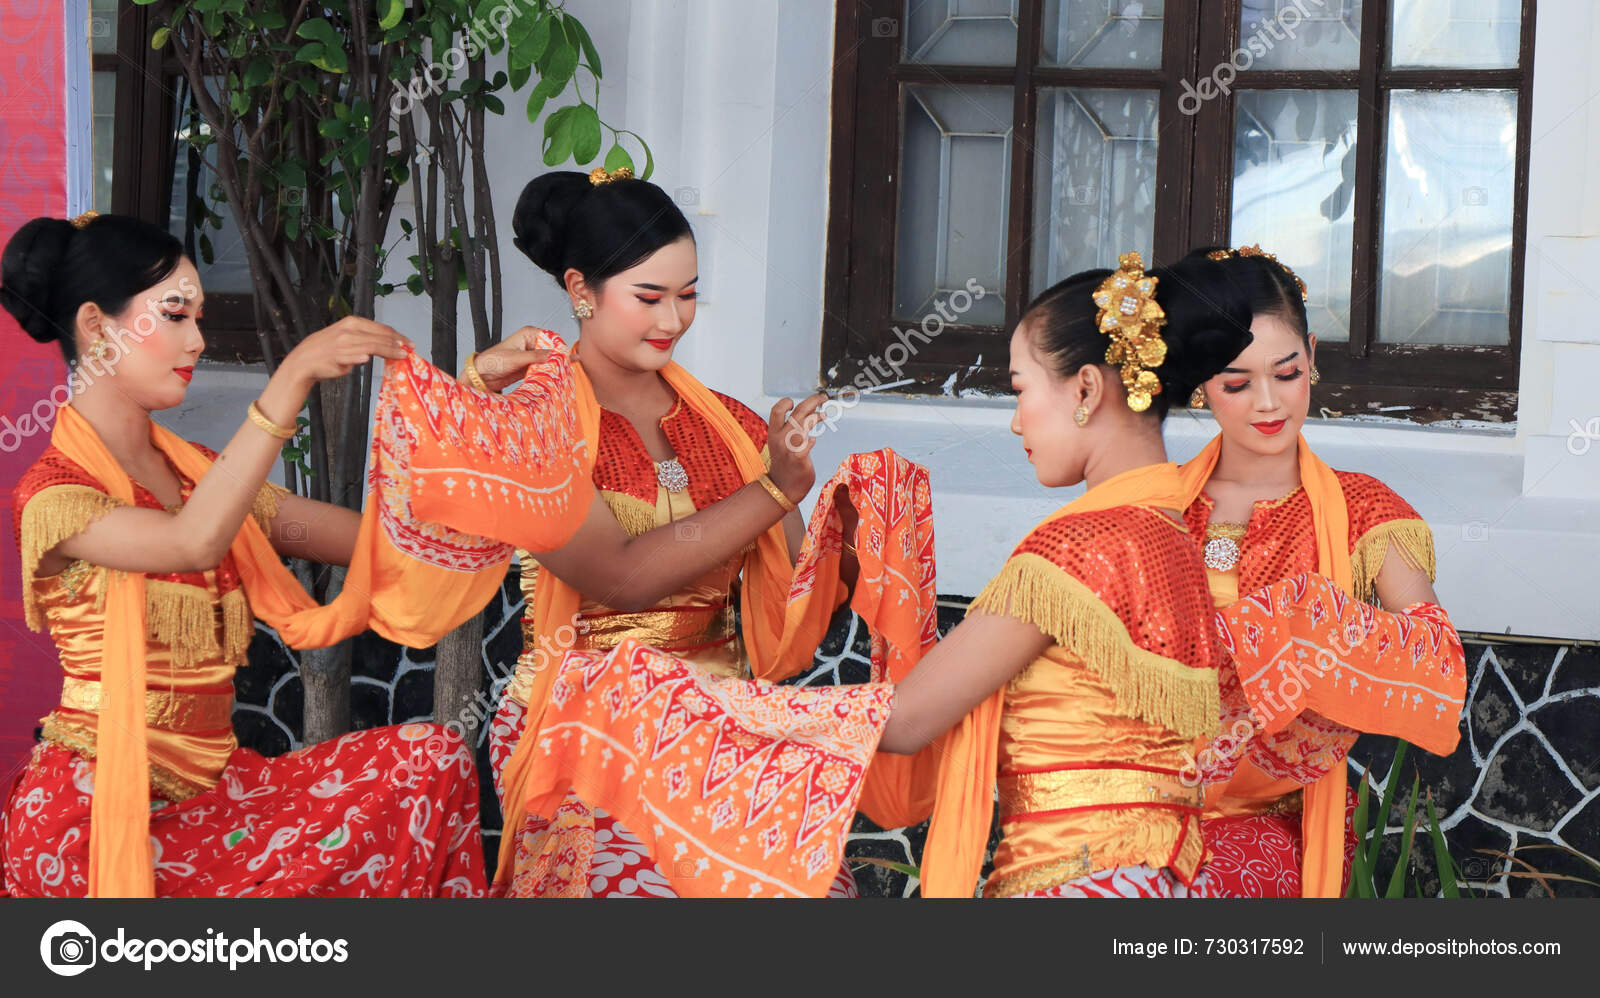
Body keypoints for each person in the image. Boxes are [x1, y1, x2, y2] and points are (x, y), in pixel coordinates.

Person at [0, 212, 485, 897]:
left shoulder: (201, 476)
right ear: (96, 325)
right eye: (175, 315)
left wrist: (481, 414)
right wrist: (289, 381)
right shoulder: (54, 496)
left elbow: (381, 540)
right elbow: (189, 540)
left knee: (431, 760)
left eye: (199, 316)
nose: (197, 339)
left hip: (217, 799)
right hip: (99, 818)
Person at [458, 167, 900, 897]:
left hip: (720, 712)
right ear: (580, 290)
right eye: (649, 297)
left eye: (688, 296)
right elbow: (621, 576)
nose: (672, 321)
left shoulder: (725, 425)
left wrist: (850, 515)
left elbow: (799, 586)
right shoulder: (537, 422)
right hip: (587, 724)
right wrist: (771, 488)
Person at [862, 251, 1253, 897]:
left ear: (1086, 390)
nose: (1017, 420)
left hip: (1075, 884)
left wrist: (709, 710)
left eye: (1020, 389)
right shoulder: (1178, 542)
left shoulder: (1075, 547)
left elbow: (903, 722)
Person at [1174, 245, 1468, 898]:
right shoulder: (1156, 506)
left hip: (1284, 826)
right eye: (1236, 382)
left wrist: (1313, 631)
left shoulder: (1364, 511)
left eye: (1286, 372)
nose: (1268, 403)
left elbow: (1440, 668)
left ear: (1311, 354)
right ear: (1200, 380)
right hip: (1144, 808)